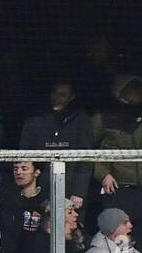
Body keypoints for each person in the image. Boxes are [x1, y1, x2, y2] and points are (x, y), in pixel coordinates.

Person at [92, 74, 142, 252]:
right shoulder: (103, 118)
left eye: (138, 89)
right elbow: (89, 151)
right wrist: (103, 174)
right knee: (118, 237)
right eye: (131, 88)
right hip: (116, 188)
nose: (136, 93)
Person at [19, 77, 94, 215]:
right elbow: (25, 154)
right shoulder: (36, 119)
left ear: (72, 97)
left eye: (62, 95)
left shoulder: (81, 120)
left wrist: (79, 191)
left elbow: (86, 157)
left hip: (71, 187)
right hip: (40, 186)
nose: (57, 98)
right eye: (54, 93)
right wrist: (28, 186)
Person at [0, 160, 46, 253]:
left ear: (36, 172)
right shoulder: (7, 198)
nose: (18, 172)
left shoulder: (47, 201)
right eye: (15, 169)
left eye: (24, 168)